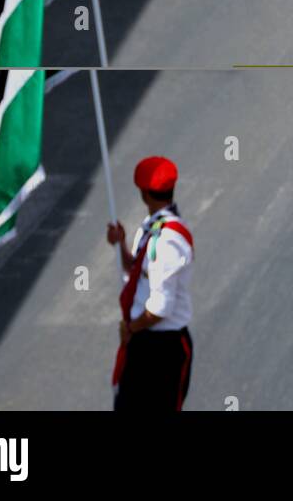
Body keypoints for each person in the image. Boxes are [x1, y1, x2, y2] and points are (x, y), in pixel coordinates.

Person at [107, 156, 194, 414]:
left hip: (163, 348)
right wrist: (120, 244)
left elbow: (160, 308)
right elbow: (136, 269)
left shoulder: (168, 240)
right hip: (143, 341)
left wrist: (131, 329)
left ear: (145, 194)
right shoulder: (153, 228)